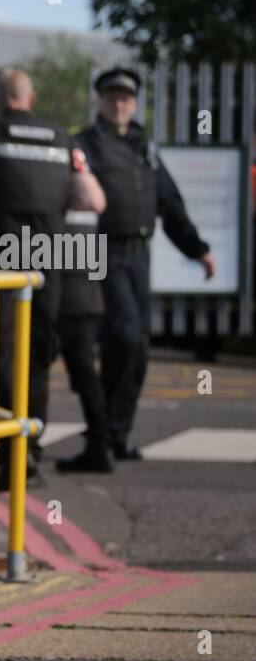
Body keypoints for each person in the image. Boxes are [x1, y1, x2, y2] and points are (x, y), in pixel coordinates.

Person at [0, 69, 105, 489]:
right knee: (37, 356)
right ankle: (30, 454)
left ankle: (6, 449)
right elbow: (93, 199)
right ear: (32, 97)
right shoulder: (62, 137)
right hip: (48, 258)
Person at [76, 67, 216, 460]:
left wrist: (197, 249)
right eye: (112, 97)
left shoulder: (145, 148)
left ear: (134, 103)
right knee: (120, 336)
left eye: (126, 98)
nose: (119, 104)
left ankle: (114, 436)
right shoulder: (84, 145)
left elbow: (170, 204)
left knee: (137, 347)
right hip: (101, 254)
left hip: (139, 257)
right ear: (99, 101)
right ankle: (100, 437)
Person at [54, 209, 115, 473]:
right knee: (86, 375)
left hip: (62, 293)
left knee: (33, 370)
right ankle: (101, 444)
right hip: (87, 292)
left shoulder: (56, 184)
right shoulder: (93, 192)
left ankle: (24, 449)